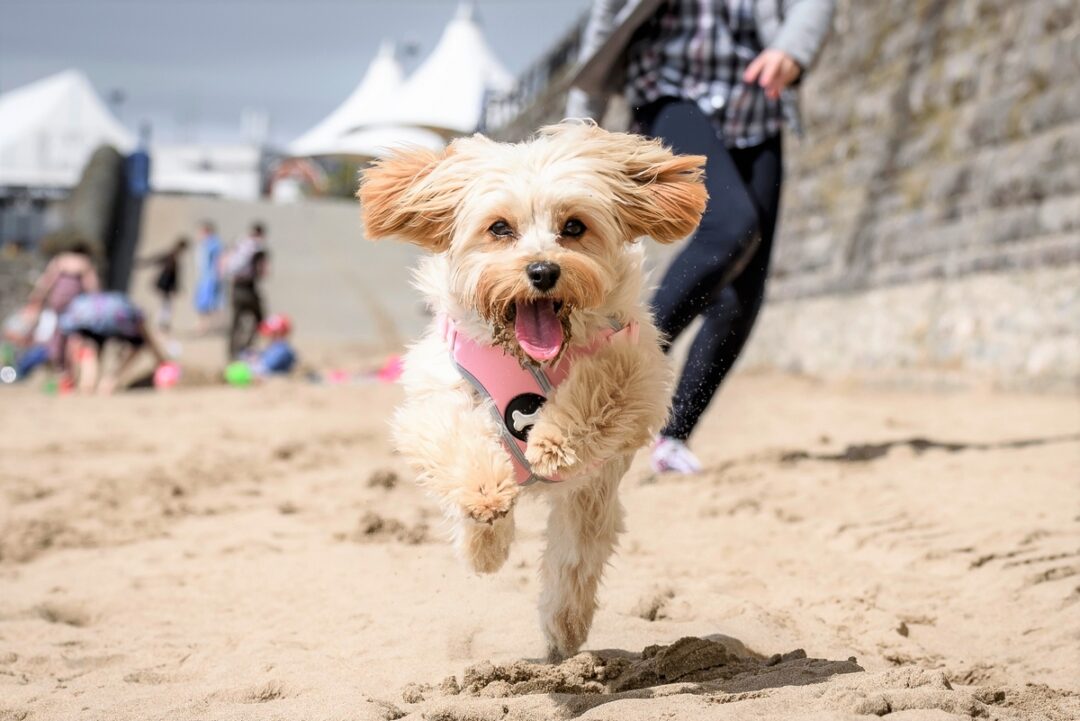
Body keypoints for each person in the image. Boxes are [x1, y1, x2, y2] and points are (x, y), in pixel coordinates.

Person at [568, 0, 835, 473]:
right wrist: (573, 134)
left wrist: (793, 49)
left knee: (740, 296)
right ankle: (619, 364)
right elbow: (604, 25)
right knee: (732, 226)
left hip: (757, 102)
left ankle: (674, 436)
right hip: (669, 91)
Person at [58, 291, 167, 394]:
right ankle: (109, 381)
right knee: (138, 344)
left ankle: (88, 384)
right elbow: (148, 340)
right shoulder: (132, 311)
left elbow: (73, 346)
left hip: (91, 319)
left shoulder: (77, 309)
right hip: (114, 318)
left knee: (89, 352)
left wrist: (69, 373)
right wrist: (161, 360)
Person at [25, 242, 101, 368]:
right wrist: (96, 303)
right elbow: (91, 285)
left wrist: (37, 297)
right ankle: (68, 364)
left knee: (59, 332)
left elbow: (47, 281)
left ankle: (58, 363)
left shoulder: (60, 260)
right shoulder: (84, 262)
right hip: (75, 304)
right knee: (74, 334)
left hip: (57, 301)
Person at [223, 222, 269, 359]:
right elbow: (263, 271)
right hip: (249, 288)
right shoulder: (259, 248)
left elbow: (224, 262)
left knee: (235, 323)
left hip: (235, 288)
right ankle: (247, 348)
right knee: (260, 320)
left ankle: (232, 354)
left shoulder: (239, 243)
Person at [140, 236, 188, 331]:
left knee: (166, 303)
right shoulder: (172, 255)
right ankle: (161, 323)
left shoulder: (174, 256)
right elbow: (157, 260)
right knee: (166, 304)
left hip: (166, 284)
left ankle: (162, 323)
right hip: (164, 283)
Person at [193, 221, 224, 334]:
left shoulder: (214, 244)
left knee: (208, 303)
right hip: (204, 277)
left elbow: (218, 261)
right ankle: (205, 325)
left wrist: (217, 277)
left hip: (210, 278)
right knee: (203, 303)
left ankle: (205, 326)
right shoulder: (204, 244)